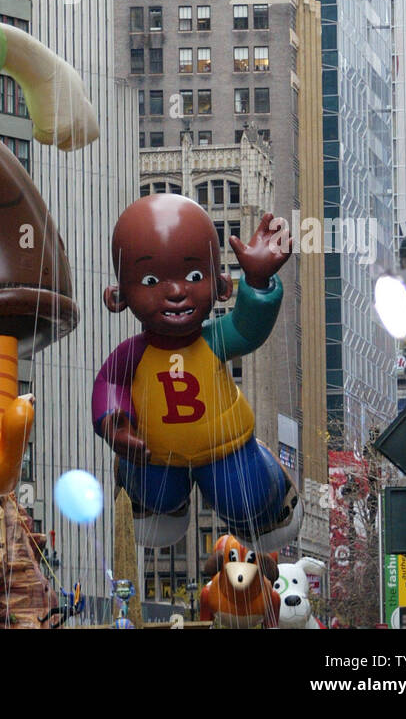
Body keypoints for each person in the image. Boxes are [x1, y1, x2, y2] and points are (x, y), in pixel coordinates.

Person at [92, 196, 299, 550]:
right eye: (152, 279)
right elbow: (110, 384)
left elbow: (249, 329)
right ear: (118, 296)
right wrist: (114, 420)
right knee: (155, 491)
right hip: (155, 452)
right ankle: (144, 496)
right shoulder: (133, 354)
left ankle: (275, 496)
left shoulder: (215, 339)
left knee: (245, 495)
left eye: (193, 276)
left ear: (221, 286)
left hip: (226, 448)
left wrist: (259, 284)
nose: (175, 292)